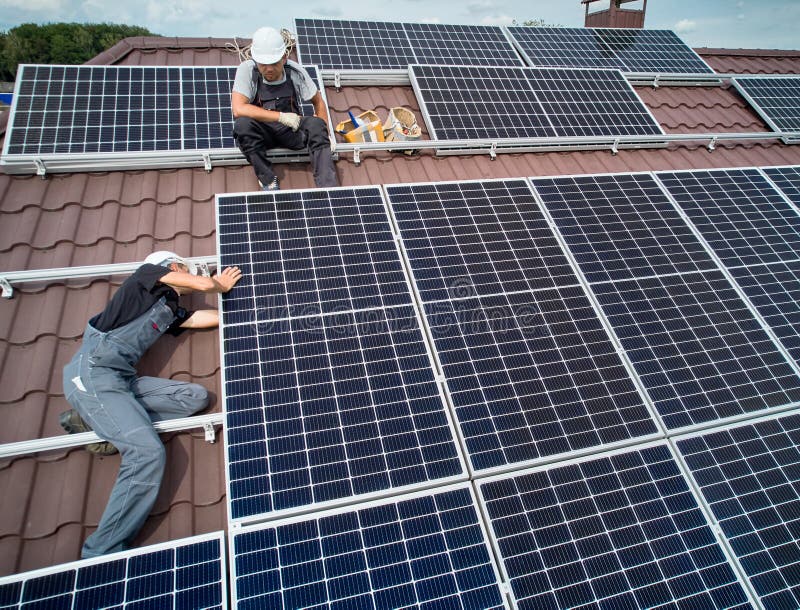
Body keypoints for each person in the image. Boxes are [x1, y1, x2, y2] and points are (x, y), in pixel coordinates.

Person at [60, 251, 242, 558]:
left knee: (194, 398)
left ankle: (94, 418)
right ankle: (100, 551)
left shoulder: (169, 309)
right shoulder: (144, 279)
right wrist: (217, 285)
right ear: (172, 267)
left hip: (122, 382)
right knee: (146, 452)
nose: (189, 277)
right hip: (93, 374)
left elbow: (202, 318)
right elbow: (191, 282)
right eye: (185, 269)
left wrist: (248, 313)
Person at [231, 26, 339, 191]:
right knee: (242, 125)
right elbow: (239, 109)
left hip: (291, 131)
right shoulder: (247, 70)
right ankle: (267, 180)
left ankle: (328, 188)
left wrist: (326, 133)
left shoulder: (295, 71)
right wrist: (280, 116)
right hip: (263, 134)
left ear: (284, 57)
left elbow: (318, 101)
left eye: (274, 63)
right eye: (263, 64)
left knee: (317, 125)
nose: (268, 69)